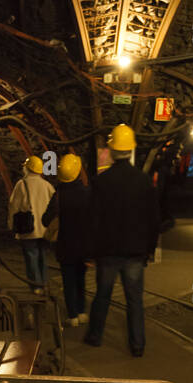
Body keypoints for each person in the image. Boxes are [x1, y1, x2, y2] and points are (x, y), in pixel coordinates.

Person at [84, 124, 161, 357]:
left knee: (102, 295)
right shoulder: (144, 181)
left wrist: (92, 251)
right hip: (135, 251)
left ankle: (95, 336)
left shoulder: (101, 182)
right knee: (135, 300)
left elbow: (93, 220)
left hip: (107, 251)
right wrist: (150, 248)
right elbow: (153, 218)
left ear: (112, 150)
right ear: (130, 150)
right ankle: (137, 345)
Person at [41, 153, 90, 326]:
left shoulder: (59, 195)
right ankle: (83, 310)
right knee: (80, 279)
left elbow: (45, 220)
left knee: (68, 281)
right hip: (83, 246)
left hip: (65, 246)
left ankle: (73, 315)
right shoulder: (87, 193)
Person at [8, 155, 55, 293]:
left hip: (29, 228)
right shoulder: (47, 185)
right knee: (42, 255)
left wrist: (11, 225)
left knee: (31, 256)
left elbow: (13, 206)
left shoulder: (21, 184)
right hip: (44, 229)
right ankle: (44, 283)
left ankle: (36, 285)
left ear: (27, 168)